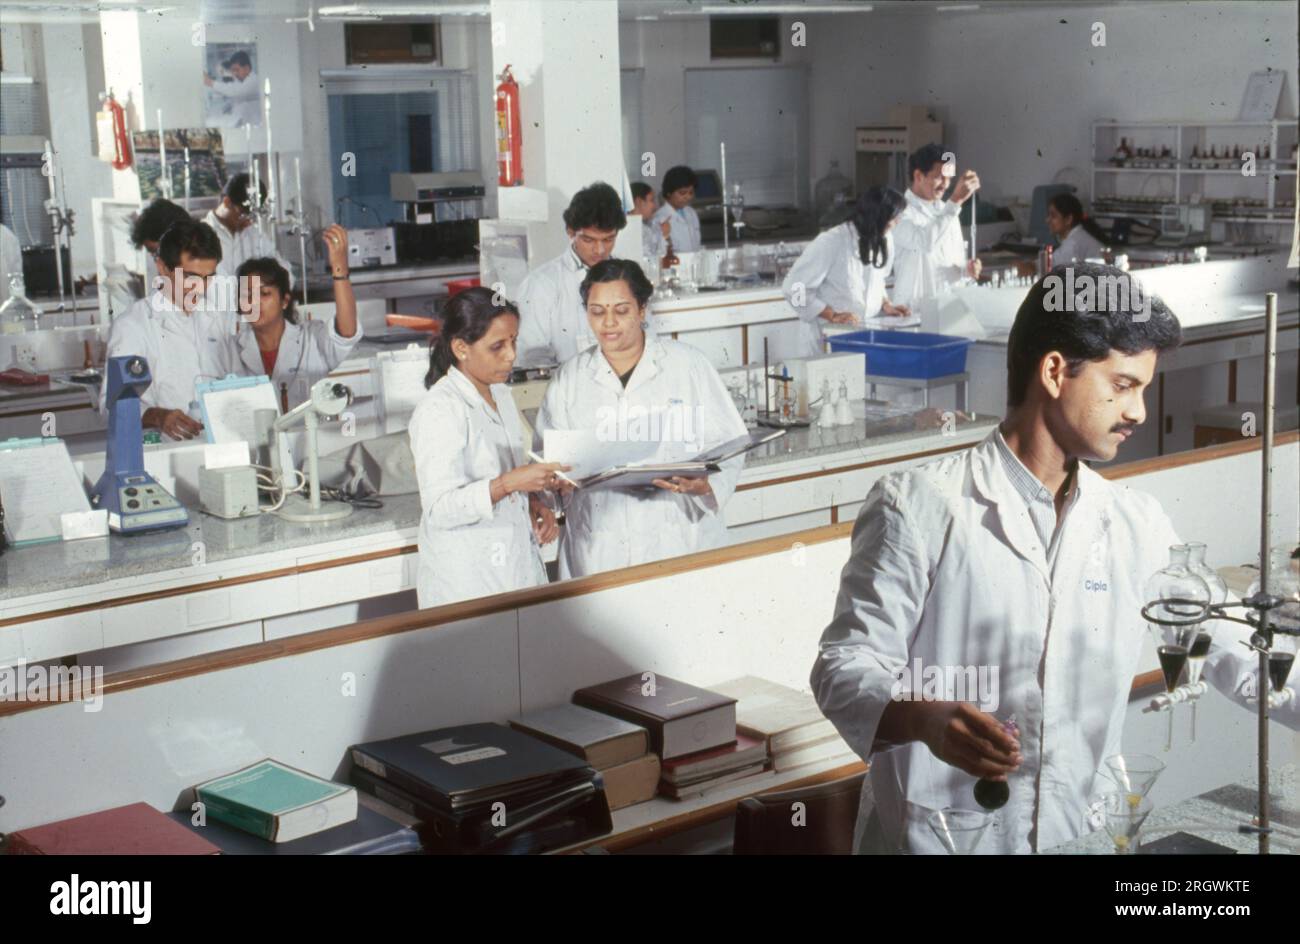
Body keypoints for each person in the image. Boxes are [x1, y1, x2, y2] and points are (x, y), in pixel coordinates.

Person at [809, 262, 1300, 855]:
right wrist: (923, 717)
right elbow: (843, 667)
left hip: (1082, 837)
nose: (1139, 411)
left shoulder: (1134, 522)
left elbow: (1237, 648)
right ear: (1054, 371)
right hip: (942, 840)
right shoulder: (919, 505)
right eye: (1123, 386)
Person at [534, 259, 748, 579]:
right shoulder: (570, 379)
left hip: (678, 538)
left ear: (642, 309)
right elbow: (547, 463)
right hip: (599, 547)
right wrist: (554, 484)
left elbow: (731, 443)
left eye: (621, 310)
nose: (608, 323)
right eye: (597, 311)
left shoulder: (688, 366)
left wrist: (706, 486)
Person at [408, 287, 568, 608]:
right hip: (467, 583)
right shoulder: (440, 409)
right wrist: (511, 483)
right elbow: (439, 509)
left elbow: (501, 478)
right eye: (498, 346)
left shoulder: (501, 395)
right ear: (460, 348)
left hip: (514, 569)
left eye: (514, 341)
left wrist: (533, 500)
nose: (511, 355)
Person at [99, 219, 227, 439]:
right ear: (163, 268)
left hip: (220, 444)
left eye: (208, 278)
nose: (200, 288)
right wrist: (159, 416)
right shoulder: (133, 326)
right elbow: (111, 406)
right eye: (190, 277)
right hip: (165, 448)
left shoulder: (216, 317)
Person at [217, 225, 361, 410]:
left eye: (265, 293)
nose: (255, 303)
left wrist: (340, 269)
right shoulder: (231, 350)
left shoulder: (311, 338)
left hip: (311, 434)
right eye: (248, 295)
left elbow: (347, 333)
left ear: (284, 301)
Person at [782, 186, 910, 357]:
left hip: (863, 336)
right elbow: (793, 287)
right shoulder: (831, 241)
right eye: (894, 218)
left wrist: (886, 305)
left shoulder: (884, 238)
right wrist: (831, 314)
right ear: (876, 217)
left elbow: (878, 279)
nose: (897, 222)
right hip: (827, 338)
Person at [515, 182, 627, 368]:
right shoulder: (542, 284)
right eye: (588, 239)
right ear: (570, 231)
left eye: (608, 239)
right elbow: (531, 357)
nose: (599, 250)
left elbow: (646, 340)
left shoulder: (628, 278)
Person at [891, 143, 981, 310]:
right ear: (918, 175)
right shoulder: (899, 212)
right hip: (912, 311)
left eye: (949, 178)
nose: (946, 185)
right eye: (940, 177)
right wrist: (955, 201)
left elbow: (952, 265)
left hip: (949, 309)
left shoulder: (947, 212)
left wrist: (966, 270)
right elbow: (924, 242)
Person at [203, 173, 293, 285]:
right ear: (227, 202)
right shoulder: (200, 235)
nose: (249, 222)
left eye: (253, 217)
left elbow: (286, 274)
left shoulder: (255, 235)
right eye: (244, 214)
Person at [203, 50, 261, 127]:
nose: (235, 74)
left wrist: (210, 82)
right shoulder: (242, 80)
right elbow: (231, 89)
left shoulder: (254, 81)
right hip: (243, 122)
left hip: (253, 125)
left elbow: (235, 91)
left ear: (247, 68)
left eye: (237, 70)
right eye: (233, 71)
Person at [651, 166, 702, 253]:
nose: (688, 197)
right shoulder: (659, 218)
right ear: (669, 193)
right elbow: (660, 250)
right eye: (682, 193)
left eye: (691, 192)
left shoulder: (691, 212)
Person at [1047, 193, 1109, 264]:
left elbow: (1055, 268)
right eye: (1048, 215)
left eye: (1053, 216)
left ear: (1068, 219)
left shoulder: (1072, 245)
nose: (1047, 220)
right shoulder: (1079, 236)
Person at [631, 182, 670, 258]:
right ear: (639, 202)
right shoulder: (635, 230)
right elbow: (653, 262)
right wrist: (664, 236)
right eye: (652, 200)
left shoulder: (645, 227)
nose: (655, 206)